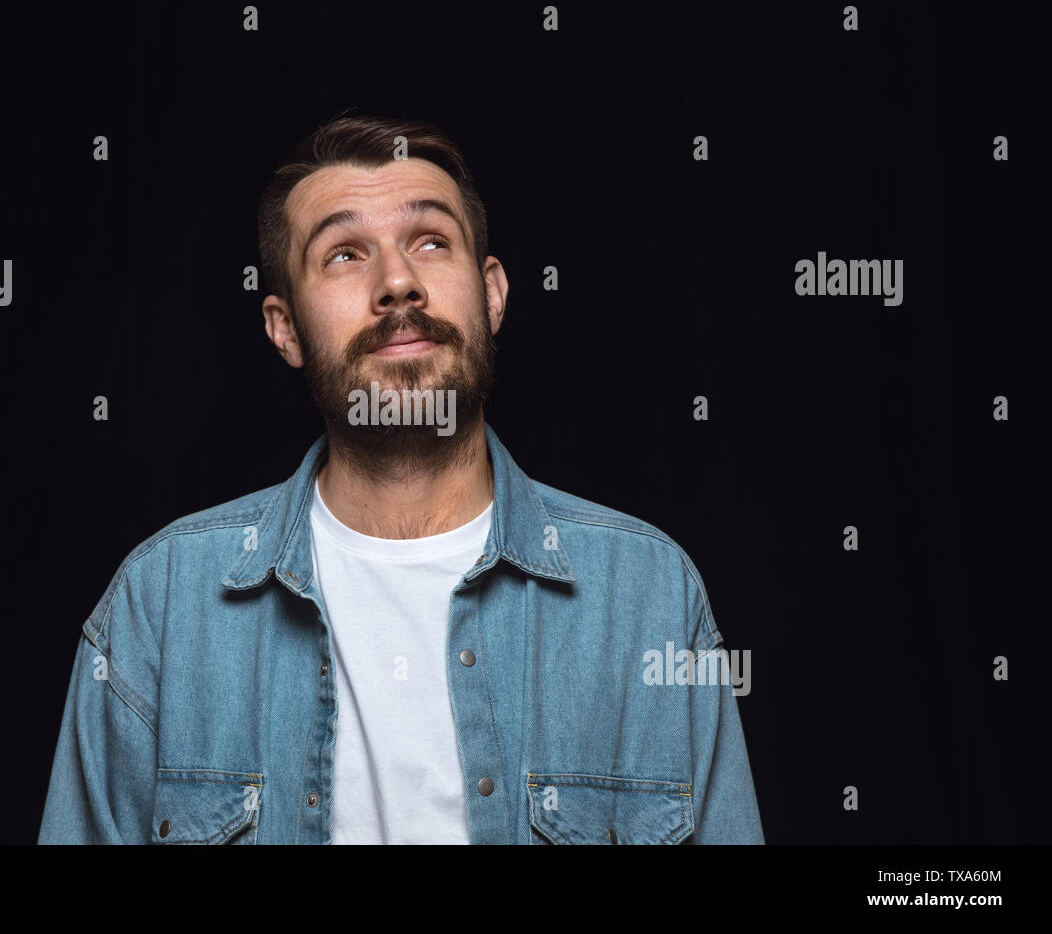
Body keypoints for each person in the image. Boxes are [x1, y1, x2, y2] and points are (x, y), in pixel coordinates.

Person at [38, 114, 765, 844]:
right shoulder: (160, 605)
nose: (397, 283)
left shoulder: (647, 594)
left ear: (493, 293)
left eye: (429, 241)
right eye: (345, 254)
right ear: (284, 328)